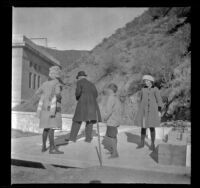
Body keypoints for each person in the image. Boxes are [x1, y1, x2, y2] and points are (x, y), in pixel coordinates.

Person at [65, 71, 101, 143]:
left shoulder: (79, 82)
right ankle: (88, 139)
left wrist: (78, 97)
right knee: (89, 121)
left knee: (77, 120)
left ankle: (72, 138)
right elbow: (96, 94)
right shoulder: (91, 84)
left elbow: (78, 93)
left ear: (79, 77)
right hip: (92, 104)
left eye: (77, 78)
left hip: (83, 104)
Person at [36, 66, 64, 154]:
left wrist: (45, 98)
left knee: (46, 128)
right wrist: (58, 96)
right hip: (53, 108)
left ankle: (44, 147)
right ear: (57, 75)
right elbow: (58, 94)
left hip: (44, 108)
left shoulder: (44, 83)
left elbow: (37, 93)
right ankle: (52, 148)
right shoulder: (56, 83)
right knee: (52, 128)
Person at [134, 75, 163, 151]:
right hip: (143, 111)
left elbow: (159, 100)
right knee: (143, 127)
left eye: (147, 81)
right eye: (145, 81)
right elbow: (140, 100)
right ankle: (142, 143)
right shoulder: (143, 89)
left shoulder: (155, 89)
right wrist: (140, 109)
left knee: (151, 127)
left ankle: (152, 144)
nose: (145, 82)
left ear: (151, 81)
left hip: (153, 111)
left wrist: (159, 110)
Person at [101, 83, 121, 158]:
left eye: (108, 89)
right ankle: (114, 151)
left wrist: (105, 118)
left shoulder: (111, 98)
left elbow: (109, 111)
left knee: (112, 137)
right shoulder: (116, 97)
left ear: (110, 90)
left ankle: (115, 153)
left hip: (111, 120)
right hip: (115, 120)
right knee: (114, 136)